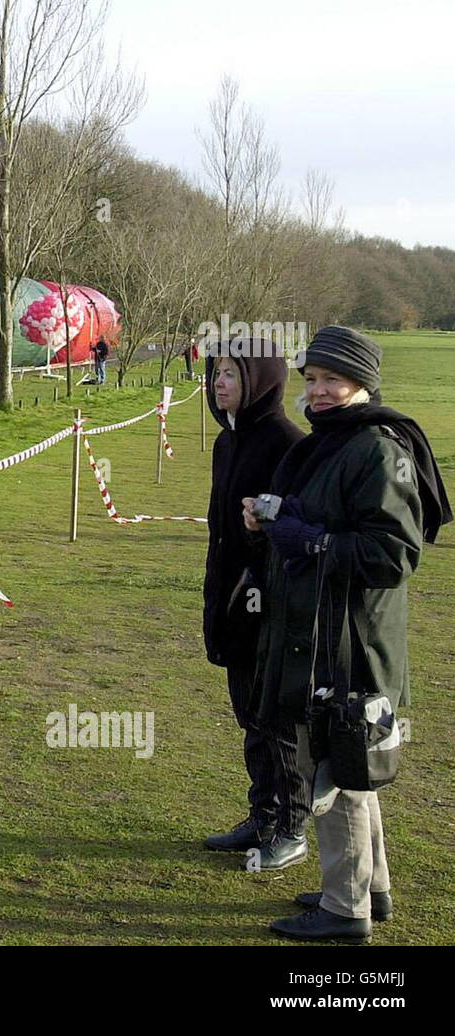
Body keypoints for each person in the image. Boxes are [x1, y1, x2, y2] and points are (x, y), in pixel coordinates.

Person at [246, 326, 451, 941]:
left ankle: (344, 908)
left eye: (334, 380)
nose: (320, 391)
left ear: (363, 384)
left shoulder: (375, 449)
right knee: (354, 766)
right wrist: (274, 521)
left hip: (349, 644)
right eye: (311, 379)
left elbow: (392, 555)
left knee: (334, 774)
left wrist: (309, 539)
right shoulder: (330, 443)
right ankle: (373, 888)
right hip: (325, 634)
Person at [202, 337, 309, 869]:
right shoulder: (228, 441)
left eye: (232, 374)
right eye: (217, 372)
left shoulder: (286, 441)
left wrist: (264, 538)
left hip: (272, 606)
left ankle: (291, 827)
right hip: (232, 602)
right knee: (249, 715)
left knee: (276, 720)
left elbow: (297, 532)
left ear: (260, 379)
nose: (221, 382)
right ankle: (261, 816)